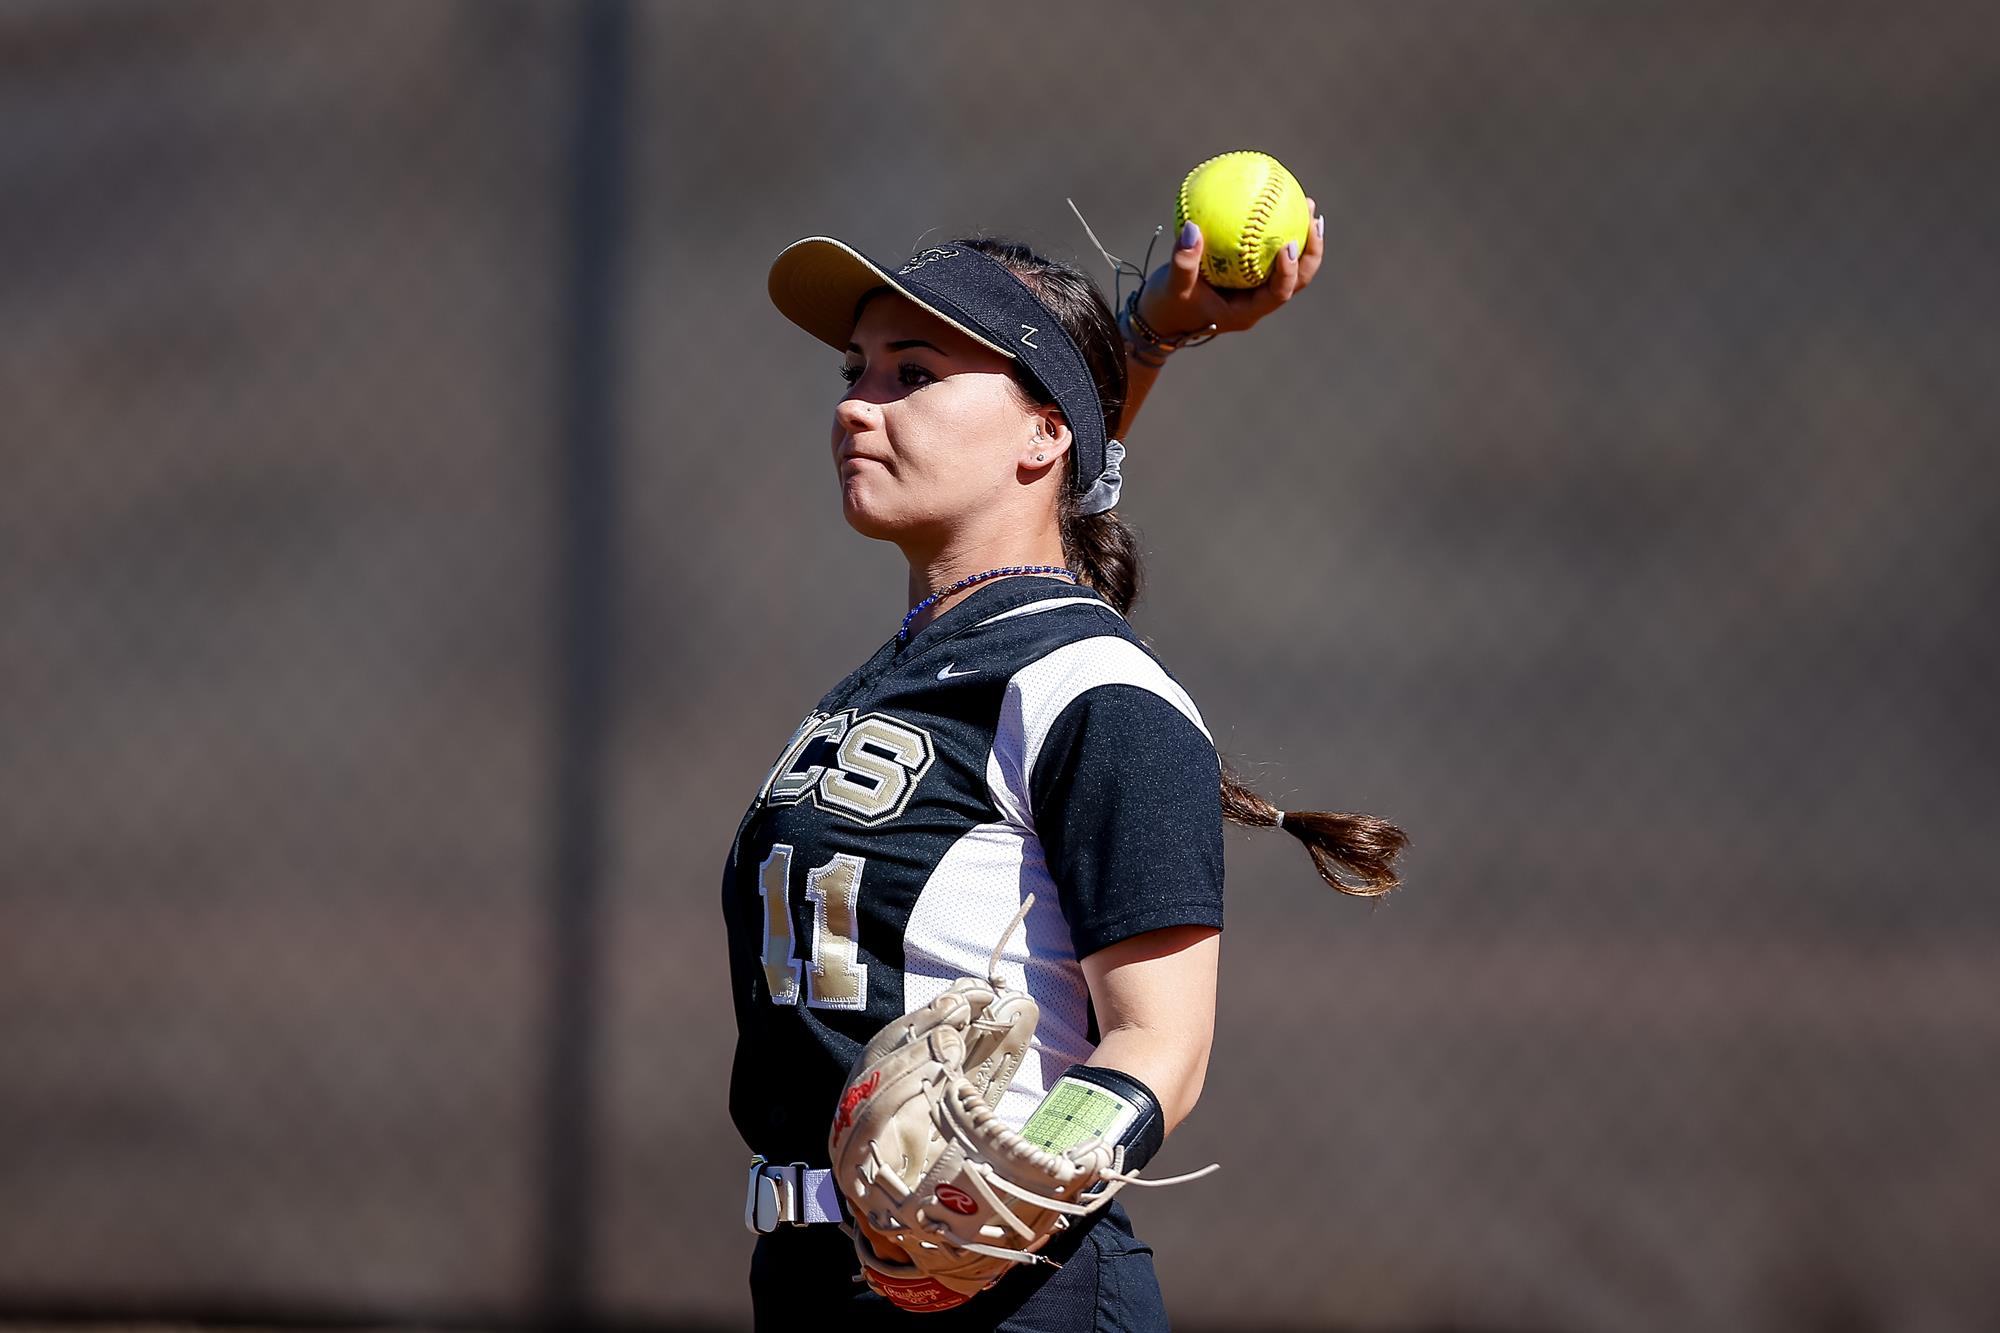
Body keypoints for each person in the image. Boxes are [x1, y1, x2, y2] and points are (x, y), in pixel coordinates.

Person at [723, 207, 1407, 1329]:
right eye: (856, 369)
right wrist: (1142, 333)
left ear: (1043, 436)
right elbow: (1052, 458)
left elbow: (1162, 1041)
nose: (856, 403)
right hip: (818, 1290)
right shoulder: (917, 668)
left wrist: (1014, 1186)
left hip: (1001, 1295)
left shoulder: (1092, 690)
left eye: (911, 372)